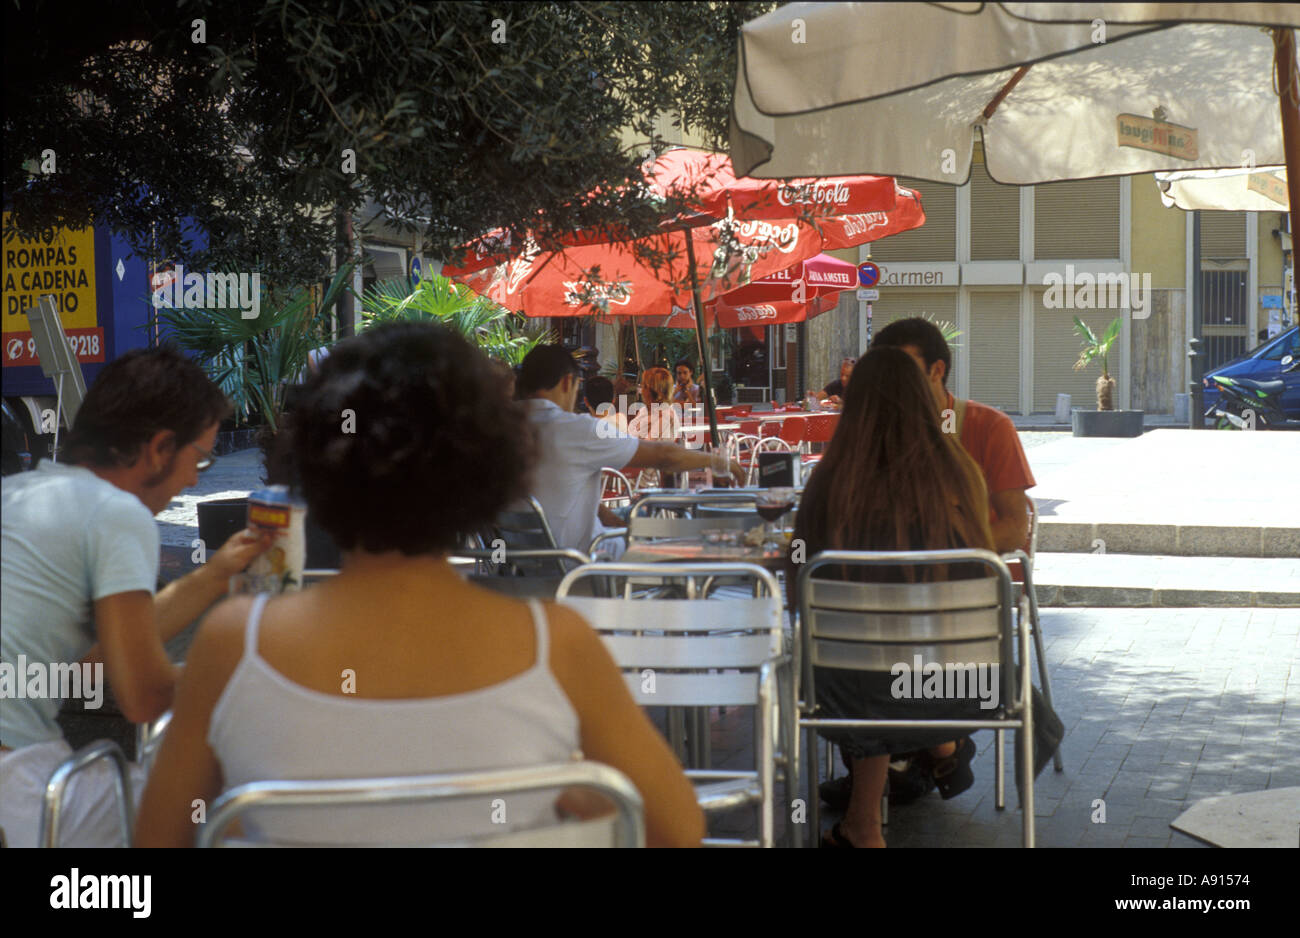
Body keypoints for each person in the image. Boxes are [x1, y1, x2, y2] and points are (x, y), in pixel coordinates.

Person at [134, 324, 707, 847]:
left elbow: (160, 840)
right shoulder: (556, 643)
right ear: (494, 470)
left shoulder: (235, 643)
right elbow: (674, 829)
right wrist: (572, 795)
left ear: (313, 464)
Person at [0, 347, 274, 848]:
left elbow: (86, 664)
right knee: (238, 804)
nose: (195, 478)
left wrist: (213, 577)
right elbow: (144, 696)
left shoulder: (20, 495)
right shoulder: (117, 514)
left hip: (21, 772)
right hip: (22, 787)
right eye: (200, 457)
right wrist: (264, 677)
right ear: (159, 448)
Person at [787, 347, 995, 848]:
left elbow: (799, 583)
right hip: (964, 684)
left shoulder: (832, 479)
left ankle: (865, 826)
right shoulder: (960, 470)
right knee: (892, 651)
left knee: (864, 653)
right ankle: (941, 743)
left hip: (848, 687)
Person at [516, 346, 743, 557]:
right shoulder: (574, 428)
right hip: (588, 561)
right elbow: (664, 456)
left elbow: (559, 494)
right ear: (567, 383)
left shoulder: (500, 428)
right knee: (686, 535)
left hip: (521, 565)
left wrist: (610, 517)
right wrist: (721, 462)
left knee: (654, 522)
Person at [872, 318, 1036, 554]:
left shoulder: (989, 426)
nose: (891, 383)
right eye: (883, 373)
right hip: (885, 577)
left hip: (963, 577)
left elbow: (1015, 529)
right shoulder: (871, 428)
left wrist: (940, 555)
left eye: (904, 371)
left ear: (937, 370)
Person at [628, 367, 682, 489]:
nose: (640, 390)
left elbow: (646, 447)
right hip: (630, 466)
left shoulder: (667, 415)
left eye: (643, 386)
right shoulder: (645, 410)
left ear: (652, 391)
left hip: (640, 475)